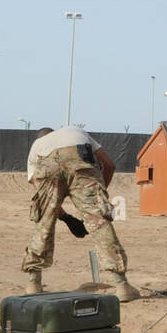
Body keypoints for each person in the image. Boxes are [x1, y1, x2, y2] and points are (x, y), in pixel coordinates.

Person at [22, 125, 139, 302]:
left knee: (43, 223)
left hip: (46, 163)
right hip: (79, 159)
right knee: (99, 224)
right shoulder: (75, 131)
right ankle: (121, 285)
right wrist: (95, 199)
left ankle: (33, 283)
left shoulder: (37, 146)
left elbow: (45, 204)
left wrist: (66, 218)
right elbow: (109, 165)